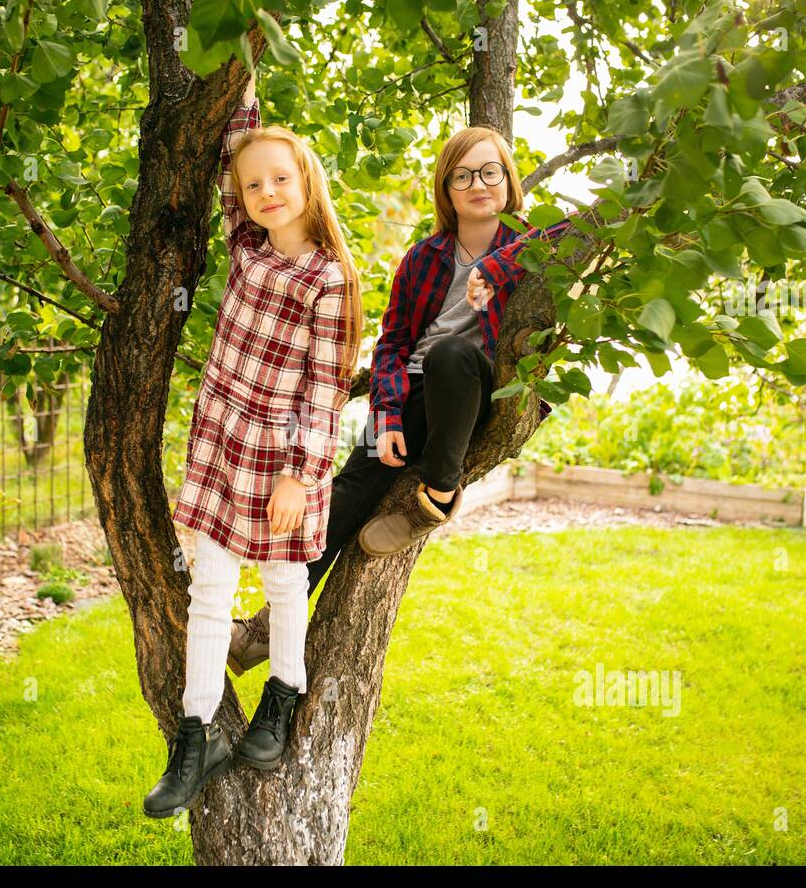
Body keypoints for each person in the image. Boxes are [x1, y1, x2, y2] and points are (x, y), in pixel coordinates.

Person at [227, 124, 572, 676]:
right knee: (346, 491)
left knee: (453, 355)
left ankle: (434, 496)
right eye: (462, 176)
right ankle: (265, 631)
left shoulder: (531, 246)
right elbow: (392, 345)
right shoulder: (423, 259)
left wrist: (495, 268)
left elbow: (587, 225)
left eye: (490, 172)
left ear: (508, 180)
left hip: (468, 392)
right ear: (446, 189)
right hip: (409, 397)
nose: (477, 184)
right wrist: (385, 415)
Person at [144, 73, 363, 819]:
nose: (268, 191)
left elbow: (327, 388)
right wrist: (243, 48)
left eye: (282, 178)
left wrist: (303, 476)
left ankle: (283, 694)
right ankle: (196, 731)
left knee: (281, 584)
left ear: (307, 181)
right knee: (209, 588)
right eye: (253, 184)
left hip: (281, 459)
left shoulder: (327, 278)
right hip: (221, 440)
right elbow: (241, 133)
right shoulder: (245, 242)